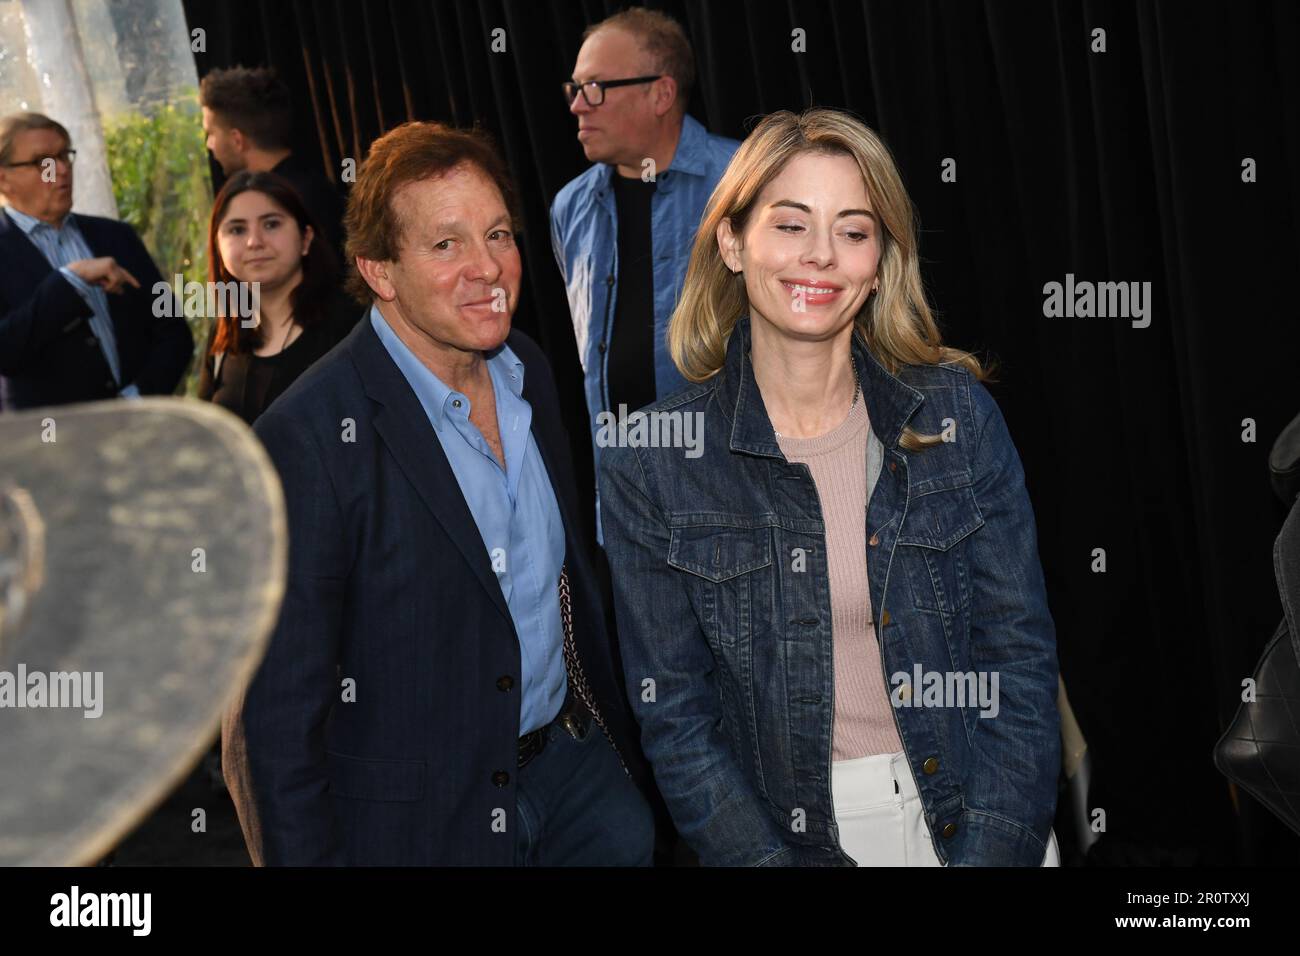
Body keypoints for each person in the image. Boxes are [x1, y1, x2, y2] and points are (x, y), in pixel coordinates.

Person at [598, 108, 1063, 867]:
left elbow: (1019, 664)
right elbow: (677, 725)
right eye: (790, 226)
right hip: (795, 838)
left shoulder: (957, 419)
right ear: (731, 243)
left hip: (984, 814)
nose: (821, 257)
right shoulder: (652, 463)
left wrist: (992, 852)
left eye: (853, 230)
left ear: (878, 263)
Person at [222, 120, 654, 866]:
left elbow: (567, 583)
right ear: (381, 271)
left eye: (499, 234)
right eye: (446, 244)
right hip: (423, 826)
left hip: (576, 781)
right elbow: (276, 720)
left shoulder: (527, 369)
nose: (488, 267)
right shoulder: (307, 440)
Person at [550, 7, 739, 495]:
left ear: (661, 93)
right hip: (624, 506)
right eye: (574, 88)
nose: (577, 105)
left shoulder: (742, 182)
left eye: (595, 88)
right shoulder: (570, 208)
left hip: (732, 496)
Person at [0, 112, 192, 411]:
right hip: (52, 444)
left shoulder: (117, 236)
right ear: (3, 178)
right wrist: (69, 280)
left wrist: (138, 398)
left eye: (65, 155)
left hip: (141, 432)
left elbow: (173, 332)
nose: (61, 169)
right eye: (43, 162)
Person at [197, 171, 356, 425]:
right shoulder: (225, 338)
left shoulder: (353, 324)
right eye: (237, 229)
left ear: (306, 238)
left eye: (271, 224)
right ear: (218, 247)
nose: (254, 242)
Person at [199, 66, 345, 261]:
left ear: (237, 140)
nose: (209, 145)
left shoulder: (298, 200)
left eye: (211, 133)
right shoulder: (314, 186)